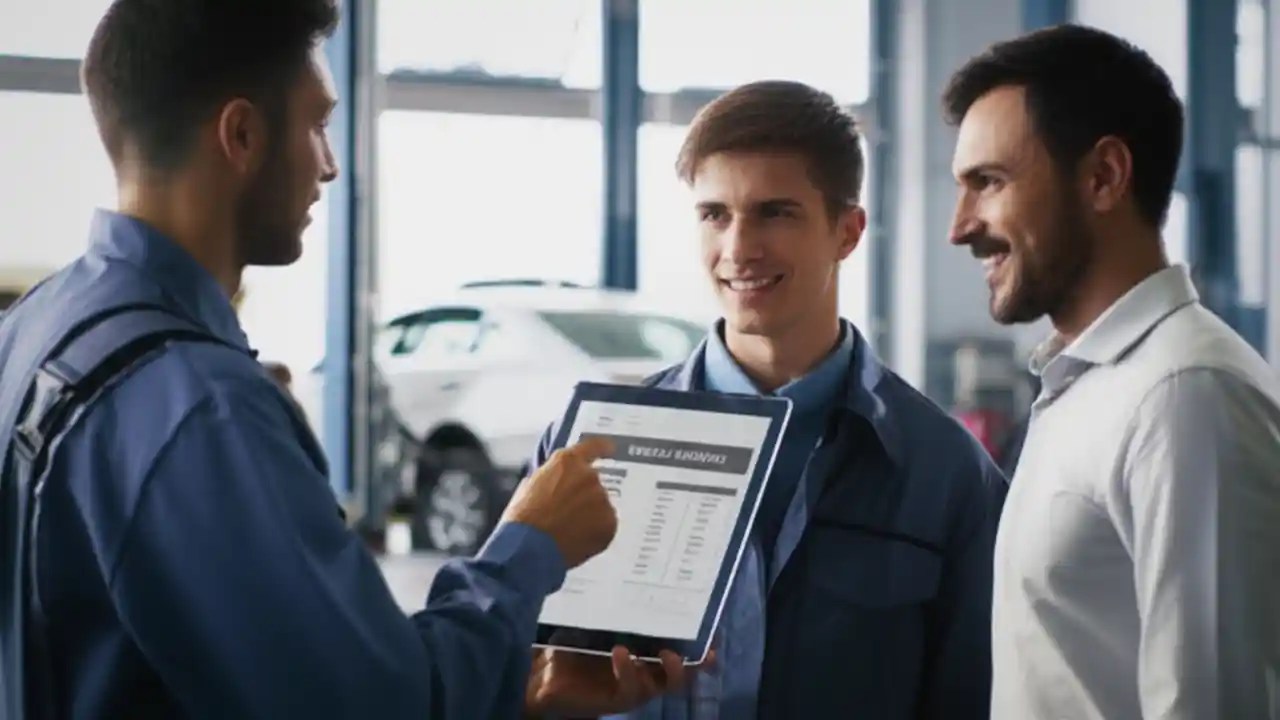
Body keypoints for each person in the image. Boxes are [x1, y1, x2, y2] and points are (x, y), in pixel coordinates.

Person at [0, 1, 691, 717]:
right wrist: (530, 545)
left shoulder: (35, 330)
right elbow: (376, 705)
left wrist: (519, 689)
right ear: (240, 134)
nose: (328, 166)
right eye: (317, 125)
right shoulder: (202, 406)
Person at [527, 80, 1009, 719]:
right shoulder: (588, 451)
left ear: (848, 231)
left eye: (775, 213)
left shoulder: (948, 475)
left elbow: (969, 700)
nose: (738, 249)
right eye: (714, 214)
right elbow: (511, 671)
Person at [943, 23, 1280, 719]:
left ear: (1103, 177)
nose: (961, 225)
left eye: (990, 182)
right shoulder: (1088, 383)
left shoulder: (1185, 394)